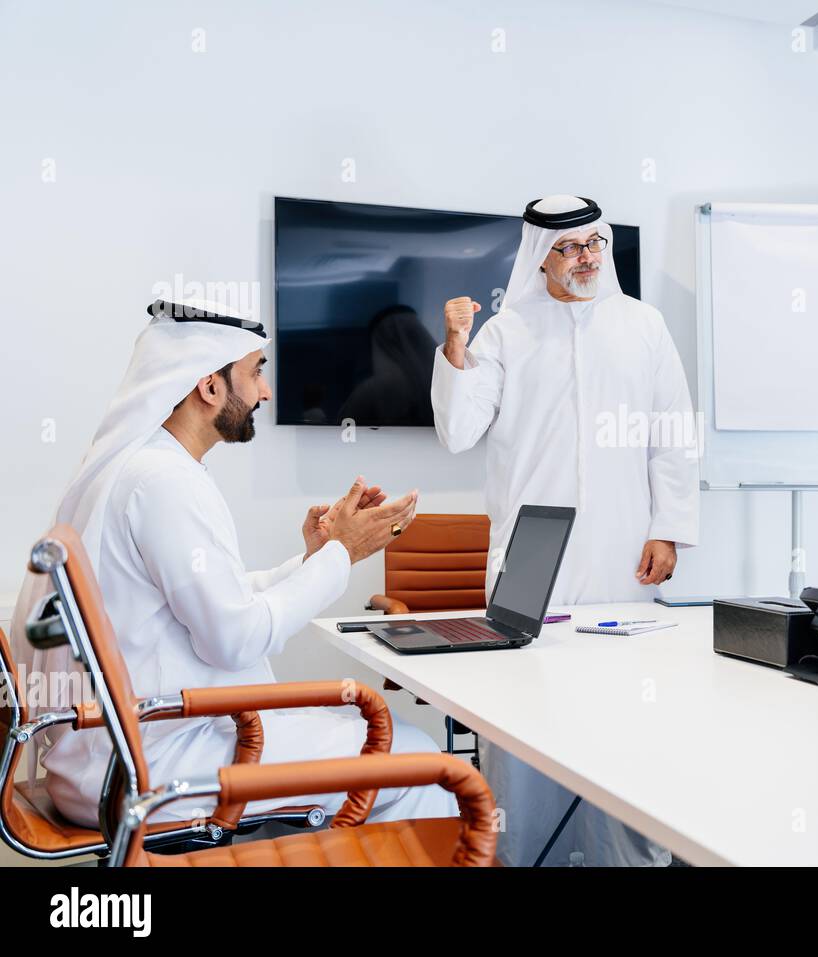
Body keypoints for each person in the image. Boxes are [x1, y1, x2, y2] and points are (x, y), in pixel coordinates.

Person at [11, 298, 457, 827]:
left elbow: (218, 599)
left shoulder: (145, 468)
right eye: (256, 372)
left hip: (114, 750)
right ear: (210, 386)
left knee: (388, 743)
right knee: (423, 759)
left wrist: (315, 556)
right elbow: (234, 638)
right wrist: (343, 553)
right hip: (148, 761)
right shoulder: (164, 482)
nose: (266, 391)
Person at [432, 194, 699, 865]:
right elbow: (459, 430)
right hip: (531, 574)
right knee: (525, 741)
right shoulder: (505, 331)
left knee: (626, 736)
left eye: (593, 245)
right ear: (540, 256)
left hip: (622, 563)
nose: (584, 259)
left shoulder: (643, 325)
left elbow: (673, 434)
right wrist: (455, 347)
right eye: (569, 248)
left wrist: (668, 527)